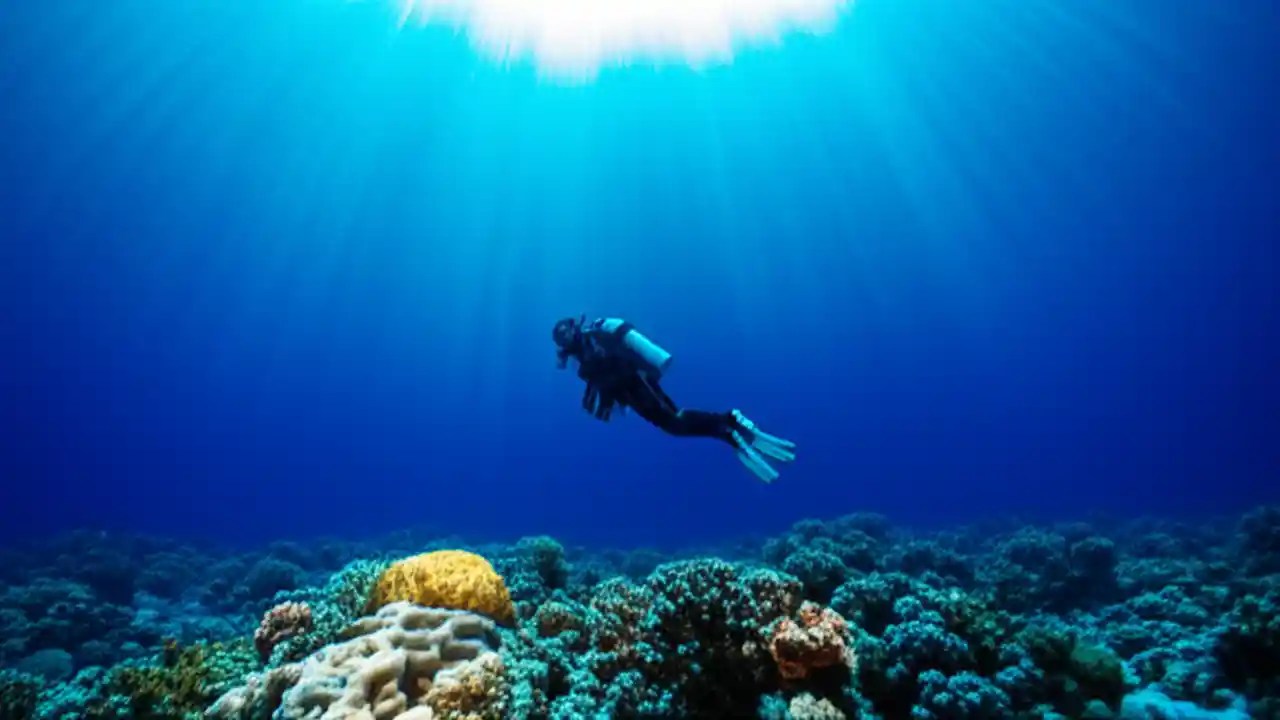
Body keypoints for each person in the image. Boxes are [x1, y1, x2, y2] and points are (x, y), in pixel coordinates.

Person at [552, 315, 796, 483]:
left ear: (574, 328)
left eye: (565, 334)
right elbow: (598, 387)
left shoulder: (594, 339)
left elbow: (609, 370)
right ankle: (726, 430)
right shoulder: (580, 357)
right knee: (673, 425)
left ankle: (729, 421)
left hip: (638, 383)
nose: (564, 341)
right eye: (560, 339)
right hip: (630, 393)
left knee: (674, 420)